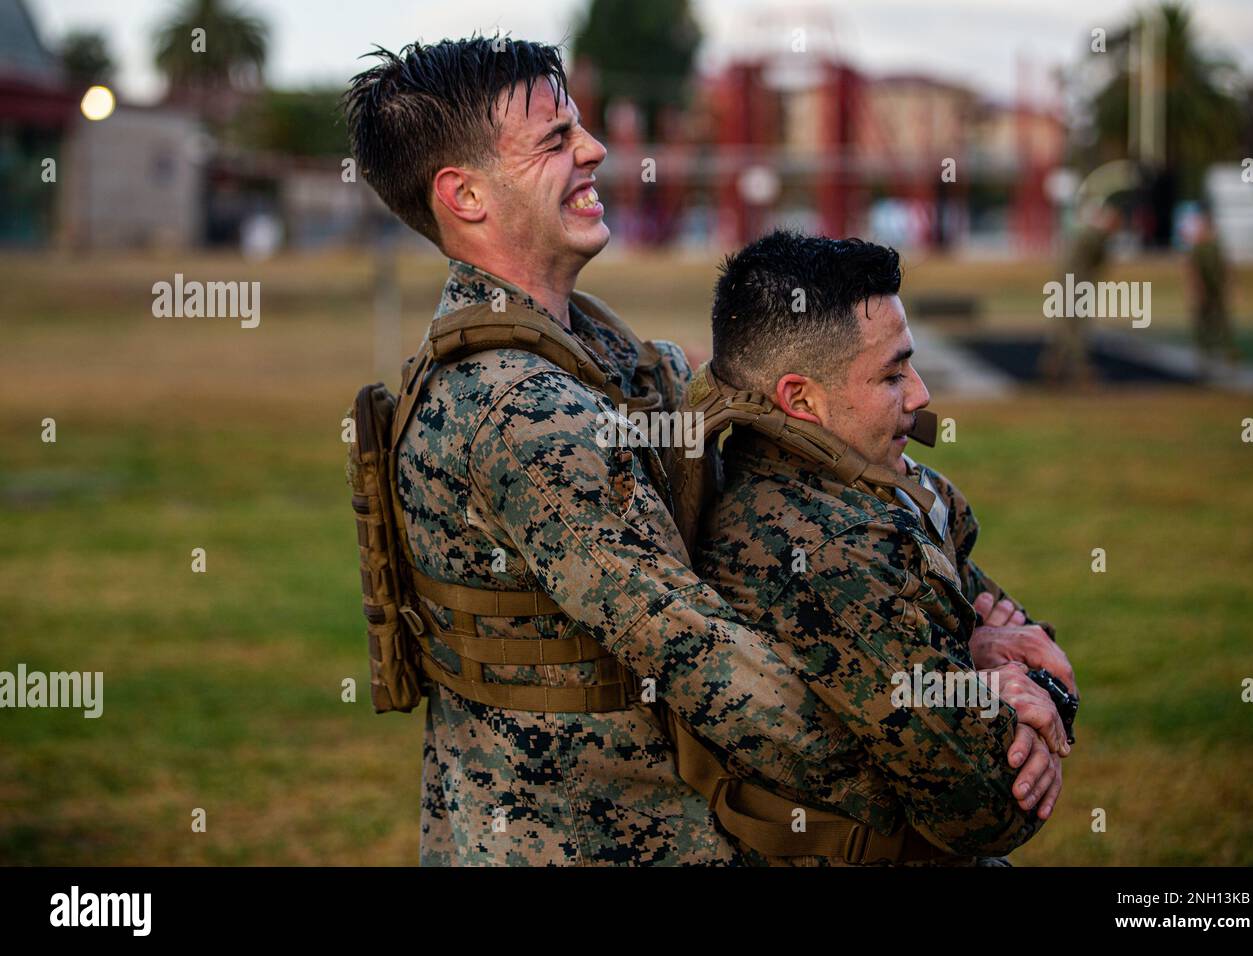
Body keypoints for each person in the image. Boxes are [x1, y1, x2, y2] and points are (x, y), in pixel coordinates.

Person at [344, 37, 870, 866]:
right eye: (555, 141)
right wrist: (930, 769)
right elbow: (699, 656)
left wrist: (983, 627)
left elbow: (795, 514)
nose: (594, 151)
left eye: (578, 128)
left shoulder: (605, 357)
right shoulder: (520, 409)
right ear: (466, 195)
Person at [682, 230, 1077, 864]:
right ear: (800, 399)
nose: (920, 396)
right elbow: (989, 805)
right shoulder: (832, 551)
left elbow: (1021, 632)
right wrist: (1004, 681)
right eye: (892, 374)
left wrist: (991, 664)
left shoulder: (851, 490)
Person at [1041, 204, 1119, 386]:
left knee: (1065, 329)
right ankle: (1079, 371)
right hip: (1074, 287)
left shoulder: (1090, 236)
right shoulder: (1093, 238)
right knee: (1074, 330)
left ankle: (1053, 368)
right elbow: (1098, 262)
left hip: (1071, 286)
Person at [1186, 211, 1234, 375]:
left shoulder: (1215, 246)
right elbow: (1193, 271)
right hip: (1205, 290)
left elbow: (1225, 267)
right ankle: (1204, 353)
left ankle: (1226, 352)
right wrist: (1197, 290)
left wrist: (1228, 285)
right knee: (1203, 322)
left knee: (1221, 320)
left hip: (1216, 289)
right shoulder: (1198, 248)